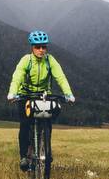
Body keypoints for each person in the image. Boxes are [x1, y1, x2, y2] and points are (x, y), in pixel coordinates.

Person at [7, 30, 74, 170]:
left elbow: (60, 77)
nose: (41, 50)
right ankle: (24, 156)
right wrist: (13, 93)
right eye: (38, 47)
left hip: (44, 96)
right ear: (32, 47)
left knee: (47, 124)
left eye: (44, 47)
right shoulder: (26, 60)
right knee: (25, 124)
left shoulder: (50, 60)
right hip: (25, 95)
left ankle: (46, 150)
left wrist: (68, 94)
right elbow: (17, 76)